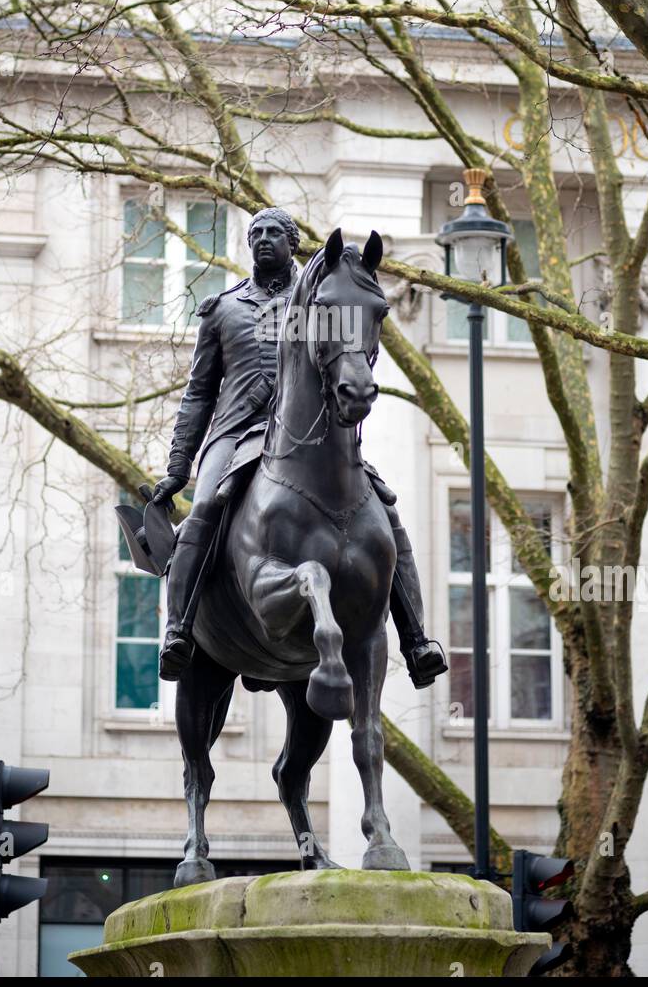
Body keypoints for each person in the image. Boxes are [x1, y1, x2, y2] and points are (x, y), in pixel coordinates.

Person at [153, 206, 446, 689]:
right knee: (205, 506)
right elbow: (199, 393)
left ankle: (416, 640)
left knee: (385, 510)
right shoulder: (223, 309)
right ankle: (179, 629)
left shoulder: (321, 301)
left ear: (293, 243)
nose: (265, 240)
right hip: (235, 435)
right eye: (256, 234)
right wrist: (179, 465)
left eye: (275, 233)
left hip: (309, 439)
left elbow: (345, 361)